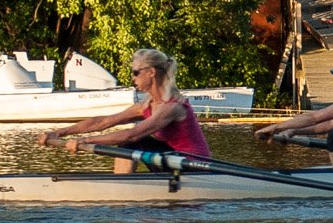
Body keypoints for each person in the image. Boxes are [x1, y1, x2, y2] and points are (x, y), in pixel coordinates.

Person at [42, 47, 209, 172]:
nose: (132, 77)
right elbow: (103, 121)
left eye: (136, 72)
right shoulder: (145, 106)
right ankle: (122, 185)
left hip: (194, 165)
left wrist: (85, 141)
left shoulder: (172, 107)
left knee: (131, 139)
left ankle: (122, 188)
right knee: (129, 144)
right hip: (170, 160)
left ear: (151, 72)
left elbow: (133, 134)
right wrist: (59, 133)